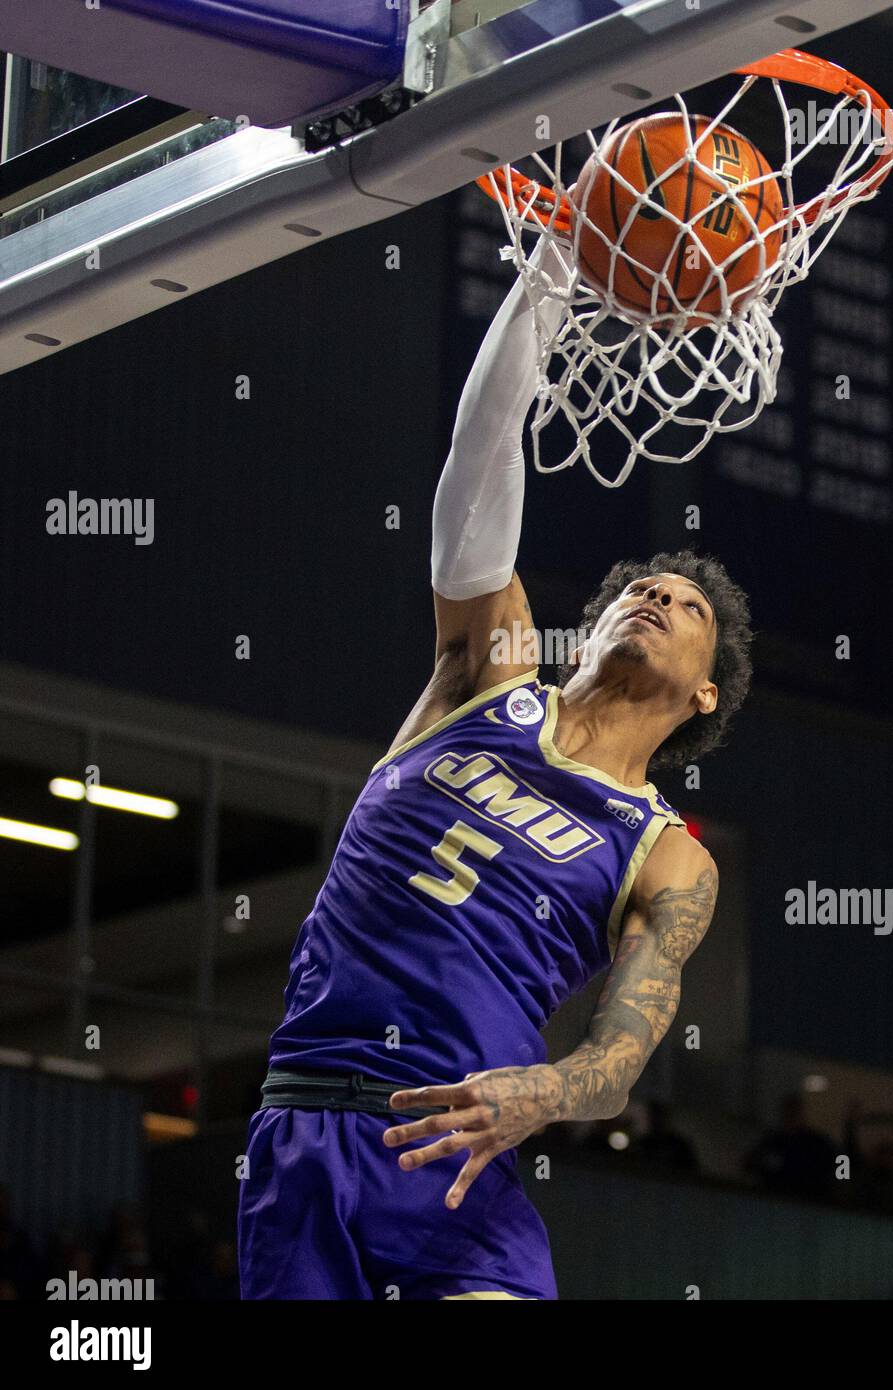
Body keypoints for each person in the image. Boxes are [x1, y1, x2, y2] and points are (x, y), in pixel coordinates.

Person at [237, 240, 753, 1300]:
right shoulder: (489, 680)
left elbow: (619, 1060)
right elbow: (479, 457)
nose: (655, 598)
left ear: (707, 693)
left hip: (461, 1155)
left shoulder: (664, 857)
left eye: (687, 606)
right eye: (637, 589)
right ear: (590, 621)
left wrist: (546, 1094)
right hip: (307, 1123)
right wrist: (557, 269)